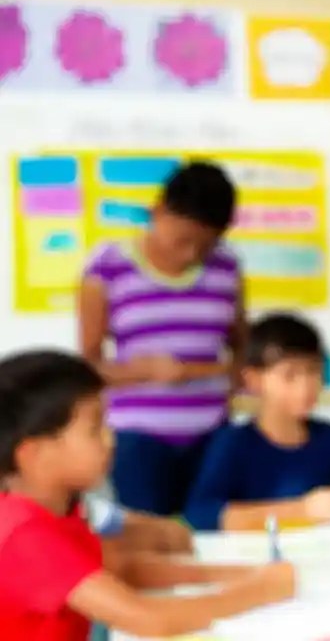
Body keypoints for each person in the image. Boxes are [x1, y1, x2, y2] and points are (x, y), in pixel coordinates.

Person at [0, 351, 294, 640]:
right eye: (94, 429)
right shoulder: (25, 534)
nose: (111, 439)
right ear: (33, 454)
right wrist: (260, 592)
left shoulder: (64, 509)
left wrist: (239, 575)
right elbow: (148, 619)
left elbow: (122, 570)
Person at [77, 160, 245, 517]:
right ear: (158, 212)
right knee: (151, 537)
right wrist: (145, 373)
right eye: (183, 240)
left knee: (209, 531)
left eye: (205, 245)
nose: (191, 255)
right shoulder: (107, 267)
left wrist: (227, 385)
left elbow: (244, 349)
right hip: (139, 441)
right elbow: (87, 367)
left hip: (212, 435)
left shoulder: (227, 266)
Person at [185, 314, 330, 531]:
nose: (306, 386)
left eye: (313, 371)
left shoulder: (328, 437)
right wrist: (301, 510)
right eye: (289, 375)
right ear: (253, 380)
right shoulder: (233, 443)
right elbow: (202, 514)